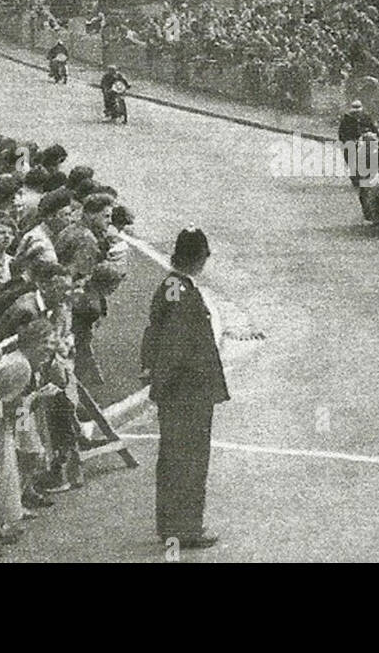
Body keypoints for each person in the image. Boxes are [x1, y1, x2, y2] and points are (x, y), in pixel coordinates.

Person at [140, 227, 229, 550]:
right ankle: (185, 527)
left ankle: (173, 526)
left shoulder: (172, 286)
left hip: (179, 390)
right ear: (199, 257)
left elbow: (157, 334)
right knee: (188, 460)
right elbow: (176, 341)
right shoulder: (179, 289)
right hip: (187, 391)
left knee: (175, 459)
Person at [337, 100, 379, 188]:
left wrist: (377, 133)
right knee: (351, 156)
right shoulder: (347, 119)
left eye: (358, 109)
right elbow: (342, 132)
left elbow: (373, 126)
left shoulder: (366, 117)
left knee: (377, 150)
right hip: (352, 140)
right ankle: (355, 175)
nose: (356, 112)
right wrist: (347, 139)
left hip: (365, 140)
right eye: (355, 109)